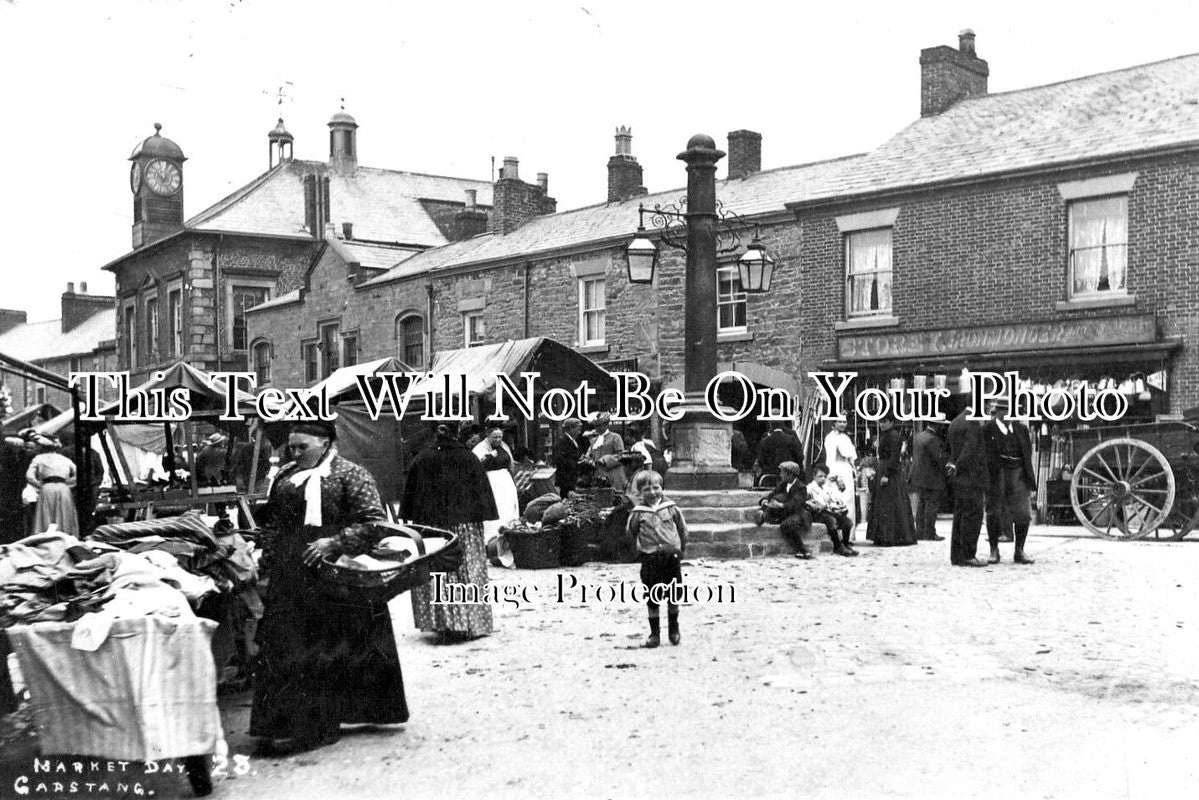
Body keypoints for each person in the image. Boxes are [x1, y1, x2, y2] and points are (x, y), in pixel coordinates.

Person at [250, 419, 407, 755]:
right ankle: (283, 723)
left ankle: (320, 726)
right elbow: (275, 522)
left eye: (302, 447)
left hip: (336, 574)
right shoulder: (286, 476)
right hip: (292, 572)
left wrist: (334, 542)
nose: (295, 453)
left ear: (325, 444)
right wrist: (266, 558)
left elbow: (374, 523)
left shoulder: (352, 474)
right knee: (286, 641)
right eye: (291, 447)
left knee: (330, 644)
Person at [405, 423, 497, 640]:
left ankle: (442, 623)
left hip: (432, 527)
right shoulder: (470, 458)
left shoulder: (422, 458)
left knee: (437, 570)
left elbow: (410, 499)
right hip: (465, 525)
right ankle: (470, 622)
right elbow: (482, 497)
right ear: (457, 432)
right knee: (467, 568)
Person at [626, 469, 687, 648]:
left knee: (673, 594)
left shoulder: (671, 508)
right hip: (650, 557)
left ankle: (674, 629)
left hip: (671, 557)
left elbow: (682, 530)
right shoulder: (638, 512)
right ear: (640, 492)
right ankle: (655, 633)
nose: (652, 492)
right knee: (652, 595)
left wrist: (680, 549)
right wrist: (638, 551)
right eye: (647, 489)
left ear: (662, 488)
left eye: (656, 488)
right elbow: (631, 532)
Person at [983, 399, 1036, 565]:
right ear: (999, 412)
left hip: (1018, 474)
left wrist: (1029, 479)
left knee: (1023, 514)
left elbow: (1027, 455)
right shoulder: (987, 429)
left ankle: (1019, 550)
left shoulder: (1021, 429)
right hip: (997, 475)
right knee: (993, 512)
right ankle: (994, 550)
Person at [946, 407, 989, 567]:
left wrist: (953, 464)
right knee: (973, 516)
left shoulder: (955, 422)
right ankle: (968, 555)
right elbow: (969, 449)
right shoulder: (972, 423)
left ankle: (956, 556)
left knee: (959, 517)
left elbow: (950, 448)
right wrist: (958, 464)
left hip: (959, 478)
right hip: (972, 477)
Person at [866, 417, 917, 546]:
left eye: (885, 422)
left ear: (892, 423)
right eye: (881, 422)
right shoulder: (885, 435)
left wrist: (886, 475)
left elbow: (894, 457)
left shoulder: (894, 436)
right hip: (884, 468)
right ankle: (883, 536)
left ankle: (890, 536)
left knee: (889, 504)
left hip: (890, 472)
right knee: (884, 504)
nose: (882, 424)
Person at [755, 460, 813, 559]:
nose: (780, 474)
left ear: (790, 474)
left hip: (798, 513)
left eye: (782, 472)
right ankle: (763, 515)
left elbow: (795, 504)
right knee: (776, 499)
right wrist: (765, 500)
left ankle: (803, 549)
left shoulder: (801, 487)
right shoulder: (783, 484)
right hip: (786, 512)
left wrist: (781, 505)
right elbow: (773, 493)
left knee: (787, 525)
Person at [473, 426, 520, 541]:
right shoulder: (479, 449)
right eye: (495, 437)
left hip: (506, 481)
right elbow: (476, 467)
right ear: (488, 436)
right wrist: (488, 457)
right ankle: (493, 538)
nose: (498, 439)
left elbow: (511, 464)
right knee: (497, 508)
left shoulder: (504, 446)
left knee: (508, 508)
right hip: (491, 483)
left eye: (500, 437)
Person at [25, 434, 78, 536]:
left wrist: (40, 485)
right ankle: (65, 534)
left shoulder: (38, 458)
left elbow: (29, 476)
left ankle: (46, 537)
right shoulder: (64, 459)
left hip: (47, 487)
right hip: (63, 489)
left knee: (46, 515)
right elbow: (78, 474)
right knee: (64, 513)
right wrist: (67, 484)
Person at [806, 464, 858, 556]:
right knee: (832, 521)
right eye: (820, 476)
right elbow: (811, 503)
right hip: (818, 514)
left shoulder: (827, 488)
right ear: (814, 476)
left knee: (848, 522)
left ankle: (845, 544)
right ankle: (838, 546)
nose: (823, 479)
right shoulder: (810, 488)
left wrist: (837, 506)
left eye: (825, 477)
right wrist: (824, 505)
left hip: (829, 512)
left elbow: (833, 500)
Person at [909, 422, 949, 541]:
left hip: (919, 477)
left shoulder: (919, 436)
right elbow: (938, 458)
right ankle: (929, 533)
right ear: (937, 426)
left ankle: (920, 532)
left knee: (921, 505)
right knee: (931, 506)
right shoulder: (933, 439)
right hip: (931, 478)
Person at [824, 419, 859, 528]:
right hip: (837, 471)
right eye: (840, 422)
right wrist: (837, 477)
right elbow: (830, 460)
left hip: (847, 471)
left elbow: (851, 457)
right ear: (834, 423)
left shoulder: (845, 438)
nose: (842, 424)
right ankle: (839, 532)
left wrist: (854, 472)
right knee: (839, 501)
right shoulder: (830, 437)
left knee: (849, 502)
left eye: (844, 422)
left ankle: (849, 533)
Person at [586, 412, 627, 492]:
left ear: (606, 424)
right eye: (596, 426)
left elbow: (621, 456)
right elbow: (590, 454)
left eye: (600, 425)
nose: (598, 428)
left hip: (613, 474)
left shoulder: (615, 437)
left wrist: (606, 460)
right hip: (599, 475)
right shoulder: (594, 440)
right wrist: (588, 460)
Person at [553, 418, 585, 496]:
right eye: (578, 429)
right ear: (571, 429)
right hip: (566, 481)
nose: (579, 432)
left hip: (570, 480)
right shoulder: (562, 442)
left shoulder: (573, 441)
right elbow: (561, 460)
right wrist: (577, 463)